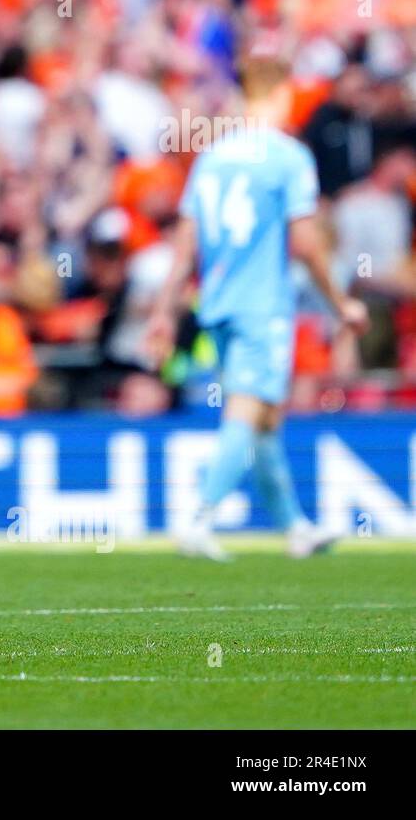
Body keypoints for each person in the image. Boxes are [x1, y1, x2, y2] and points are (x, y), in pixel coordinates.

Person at [145, 48, 369, 562]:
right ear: (279, 93)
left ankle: (295, 528)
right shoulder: (288, 157)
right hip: (263, 307)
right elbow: (308, 244)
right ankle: (200, 519)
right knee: (249, 410)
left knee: (265, 416)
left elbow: (185, 244)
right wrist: (341, 305)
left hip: (218, 306)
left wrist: (163, 310)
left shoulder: (212, 158)